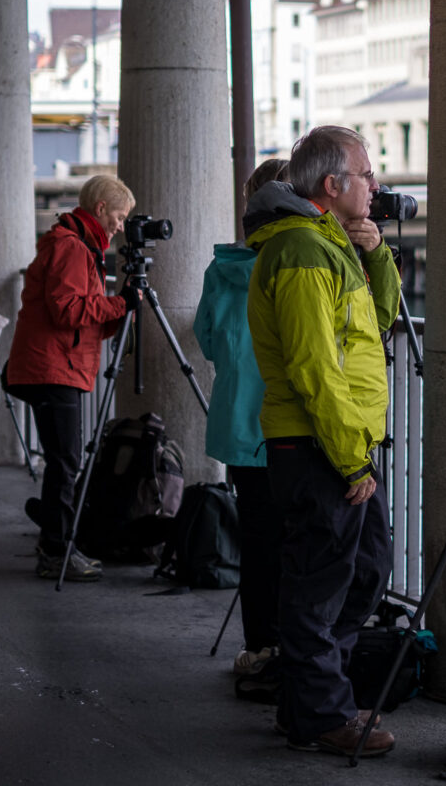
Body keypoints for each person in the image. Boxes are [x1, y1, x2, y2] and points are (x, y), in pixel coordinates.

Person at [245, 126, 399, 758]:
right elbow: (314, 367)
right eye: (368, 175)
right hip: (319, 445)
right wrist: (348, 457)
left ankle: (308, 699)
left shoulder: (329, 245)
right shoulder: (302, 251)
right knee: (320, 581)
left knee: (364, 570)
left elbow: (380, 320)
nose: (377, 185)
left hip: (339, 442)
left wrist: (377, 252)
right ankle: (320, 714)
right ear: (333, 185)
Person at [5, 174, 134, 582]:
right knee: (66, 461)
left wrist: (119, 309)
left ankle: (55, 538)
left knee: (64, 460)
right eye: (118, 216)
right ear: (99, 209)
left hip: (57, 363)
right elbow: (67, 311)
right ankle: (56, 550)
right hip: (54, 367)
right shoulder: (73, 248)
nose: (120, 226)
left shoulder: (75, 244)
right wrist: (119, 304)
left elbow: (84, 318)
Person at [195, 158, 289, 676]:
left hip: (239, 428)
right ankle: (303, 650)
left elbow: (208, 341)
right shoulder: (299, 263)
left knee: (257, 544)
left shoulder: (221, 268)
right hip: (293, 427)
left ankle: (261, 649)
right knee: (301, 542)